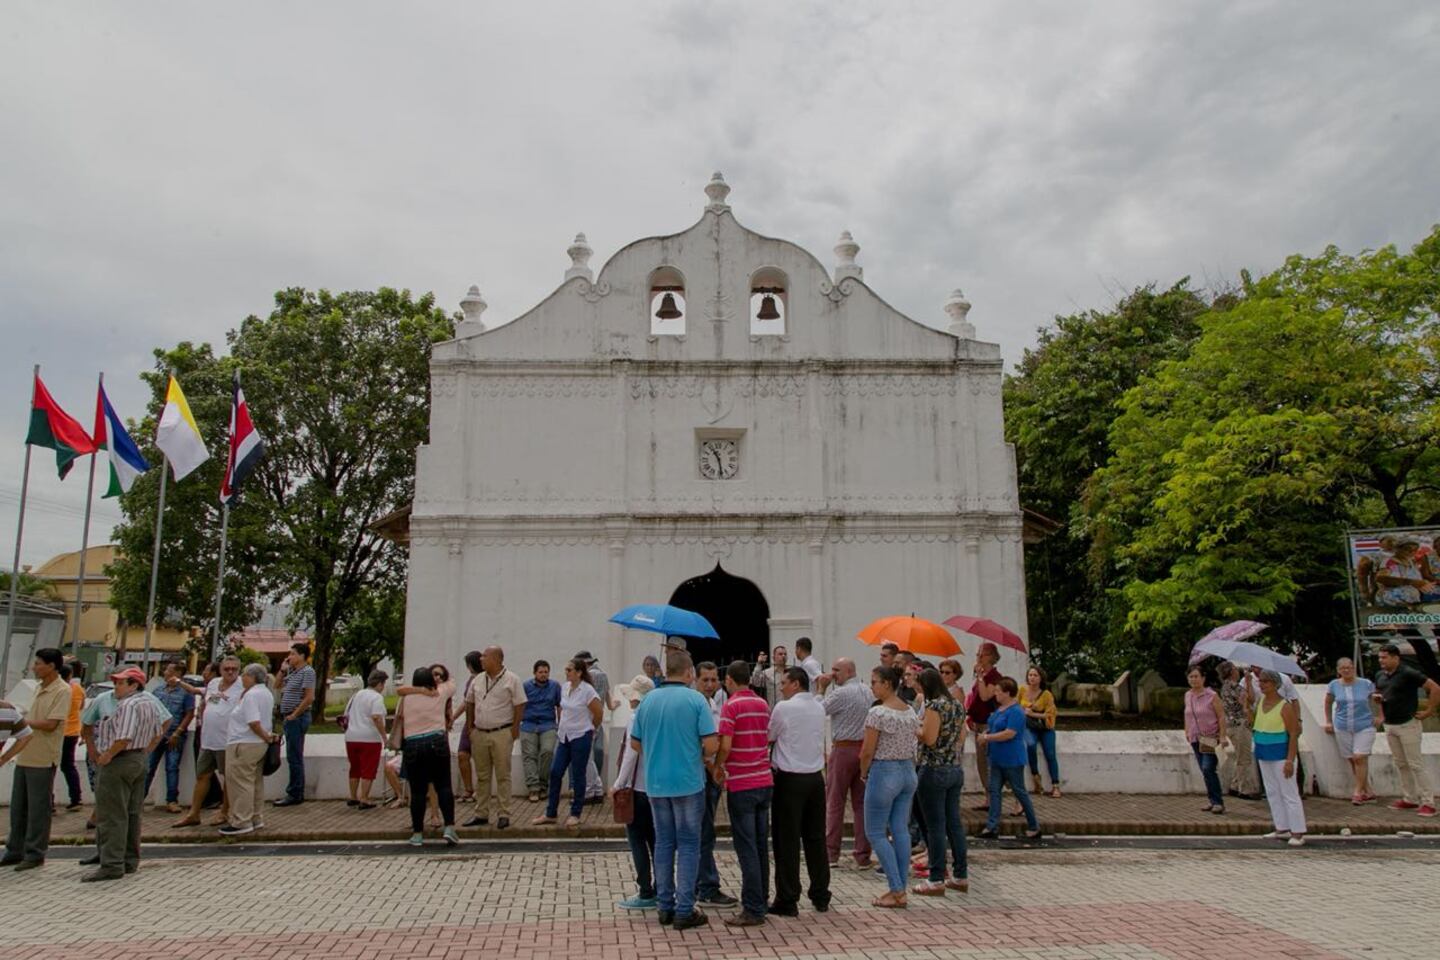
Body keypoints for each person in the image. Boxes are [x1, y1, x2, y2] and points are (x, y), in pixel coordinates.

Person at [630, 650, 718, 930]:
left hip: (656, 783)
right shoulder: (696, 700)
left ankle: (664, 905)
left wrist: (657, 750)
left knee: (664, 842)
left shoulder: (648, 701)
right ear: (690, 672)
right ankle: (684, 908)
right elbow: (712, 744)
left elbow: (635, 744)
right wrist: (700, 754)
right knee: (690, 843)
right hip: (688, 781)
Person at [81, 667, 166, 881]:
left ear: (133, 685)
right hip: (138, 758)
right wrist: (144, 751)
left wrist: (107, 755)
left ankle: (111, 864)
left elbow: (124, 736)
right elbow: (158, 731)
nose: (116, 686)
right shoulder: (149, 702)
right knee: (132, 812)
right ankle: (129, 860)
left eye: (121, 683)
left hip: (120, 760)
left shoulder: (127, 705)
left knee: (112, 814)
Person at [713, 660, 773, 927]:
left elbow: (725, 744)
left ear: (729, 680)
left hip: (742, 782)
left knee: (746, 846)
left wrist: (718, 765)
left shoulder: (731, 706)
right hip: (764, 778)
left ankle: (753, 907)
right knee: (760, 844)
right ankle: (762, 897)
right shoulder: (763, 704)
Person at [768, 665, 830, 918]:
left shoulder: (784, 708)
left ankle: (788, 897)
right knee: (815, 839)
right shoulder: (818, 706)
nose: (781, 687)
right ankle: (820, 893)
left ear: (795, 683)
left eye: (784, 682)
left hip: (790, 778)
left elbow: (770, 735)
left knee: (787, 840)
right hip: (815, 778)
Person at [2, 648, 70, 871]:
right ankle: (14, 850)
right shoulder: (39, 688)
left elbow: (51, 724)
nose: (35, 667)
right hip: (25, 755)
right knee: (18, 808)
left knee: (38, 810)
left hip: (43, 757)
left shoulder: (62, 690)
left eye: (39, 663)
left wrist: (20, 721)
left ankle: (34, 854)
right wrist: (13, 710)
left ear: (51, 666)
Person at [858, 665, 918, 909]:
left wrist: (863, 771)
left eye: (874, 682)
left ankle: (896, 887)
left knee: (874, 832)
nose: (872, 686)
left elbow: (868, 750)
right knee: (900, 829)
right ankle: (899, 887)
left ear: (886, 684)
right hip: (907, 771)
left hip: (884, 771)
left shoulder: (878, 713)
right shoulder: (910, 711)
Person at [912, 667, 968, 897]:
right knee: (954, 824)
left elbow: (929, 738)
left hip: (933, 768)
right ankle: (960, 875)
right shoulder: (957, 705)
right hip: (954, 767)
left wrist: (915, 726)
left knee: (935, 827)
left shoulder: (935, 706)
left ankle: (936, 879)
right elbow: (962, 736)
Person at [456, 646, 523, 829]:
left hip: (502, 731)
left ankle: (504, 813)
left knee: (503, 775)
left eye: (485, 656)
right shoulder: (477, 679)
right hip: (480, 732)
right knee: (483, 775)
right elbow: (469, 702)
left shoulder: (512, 679)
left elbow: (519, 704)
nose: (481, 659)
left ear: (497, 659)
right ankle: (481, 813)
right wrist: (470, 726)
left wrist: (515, 728)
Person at [817, 656, 874, 869]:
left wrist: (821, 689)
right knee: (861, 803)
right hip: (864, 748)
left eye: (836, 670)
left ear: (848, 671)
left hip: (843, 748)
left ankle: (831, 853)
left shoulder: (841, 693)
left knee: (835, 801)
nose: (833, 675)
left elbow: (818, 711)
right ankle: (863, 854)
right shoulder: (867, 690)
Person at [395, 666, 460, 846]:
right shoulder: (439, 693)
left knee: (417, 792)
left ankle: (417, 833)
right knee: (443, 786)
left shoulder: (406, 697)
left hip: (413, 744)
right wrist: (436, 681)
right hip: (436, 741)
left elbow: (399, 690)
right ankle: (449, 828)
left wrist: (418, 689)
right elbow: (453, 681)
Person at [689, 661, 737, 909]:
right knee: (704, 832)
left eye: (713, 679)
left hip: (713, 773)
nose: (709, 684)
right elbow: (702, 744)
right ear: (695, 679)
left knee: (704, 831)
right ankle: (706, 886)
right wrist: (714, 768)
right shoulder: (696, 706)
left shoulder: (713, 703)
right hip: (705, 774)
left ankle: (699, 882)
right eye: (705, 679)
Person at [534, 658, 602, 828]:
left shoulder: (587, 691)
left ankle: (576, 812)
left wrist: (590, 729)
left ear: (579, 672)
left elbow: (598, 713)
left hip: (580, 736)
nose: (566, 672)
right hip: (564, 736)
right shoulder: (565, 688)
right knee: (555, 772)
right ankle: (551, 812)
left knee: (578, 775)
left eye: (569, 670)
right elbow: (562, 708)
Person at [174, 656, 241, 827]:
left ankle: (224, 812)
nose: (231, 672)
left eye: (234, 668)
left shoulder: (242, 686)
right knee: (202, 775)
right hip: (208, 739)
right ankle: (194, 813)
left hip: (227, 740)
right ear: (221, 670)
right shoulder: (213, 684)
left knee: (227, 777)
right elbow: (205, 698)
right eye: (227, 669)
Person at [1374, 643, 1439, 816]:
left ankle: (1428, 802)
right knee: (1401, 764)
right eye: (1380, 657)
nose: (1381, 660)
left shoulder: (1408, 673)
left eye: (1385, 657)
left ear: (1396, 658)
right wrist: (1379, 706)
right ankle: (1410, 798)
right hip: (1390, 723)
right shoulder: (1380, 675)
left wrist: (1428, 711)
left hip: (1408, 723)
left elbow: (1434, 687)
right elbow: (1381, 692)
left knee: (1416, 764)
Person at [976, 677, 1040, 840]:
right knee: (994, 791)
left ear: (1007, 693)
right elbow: (994, 725)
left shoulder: (1016, 711)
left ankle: (1034, 825)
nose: (995, 694)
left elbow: (1010, 733)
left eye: (998, 691)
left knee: (1019, 791)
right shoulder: (1000, 709)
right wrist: (986, 734)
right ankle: (992, 825)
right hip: (996, 757)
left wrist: (988, 738)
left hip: (1012, 757)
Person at [220, 664, 278, 836]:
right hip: (258, 744)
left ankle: (241, 820)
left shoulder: (252, 695)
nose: (242, 678)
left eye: (244, 675)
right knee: (255, 782)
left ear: (252, 677)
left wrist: (264, 736)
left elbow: (253, 722)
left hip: (244, 743)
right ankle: (255, 817)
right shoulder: (266, 693)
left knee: (240, 783)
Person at [615, 675, 658, 911]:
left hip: (637, 788)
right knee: (657, 841)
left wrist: (619, 783)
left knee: (637, 841)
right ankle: (661, 886)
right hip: (655, 788)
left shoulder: (635, 718)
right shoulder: (656, 717)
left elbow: (631, 755)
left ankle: (645, 889)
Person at [1252, 669, 1307, 844]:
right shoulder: (1261, 701)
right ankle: (1281, 826)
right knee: (1272, 791)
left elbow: (1293, 733)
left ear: (1275, 684)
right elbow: (1254, 722)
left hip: (1280, 752)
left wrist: (1290, 759)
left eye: (1265, 682)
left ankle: (1297, 831)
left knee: (1289, 792)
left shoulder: (1285, 706)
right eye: (1260, 681)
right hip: (1263, 751)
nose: (1261, 685)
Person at [1323, 657, 1379, 804]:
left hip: (1364, 725)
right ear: (1338, 670)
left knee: (1359, 757)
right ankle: (1367, 790)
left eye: (1349, 667)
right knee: (1352, 759)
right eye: (1343, 668)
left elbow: (1376, 700)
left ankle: (1357, 792)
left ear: (1353, 668)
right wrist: (1328, 721)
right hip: (1343, 725)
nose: (1346, 670)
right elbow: (1328, 703)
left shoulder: (1366, 684)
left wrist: (1380, 716)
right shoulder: (1334, 685)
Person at [143, 662, 195, 813]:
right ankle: (139, 798)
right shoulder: (158, 690)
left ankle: (172, 800)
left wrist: (177, 732)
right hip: (156, 735)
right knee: (148, 767)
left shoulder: (186, 692)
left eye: (168, 670)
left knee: (172, 767)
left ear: (177, 673)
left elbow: (189, 713)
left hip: (174, 734)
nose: (165, 673)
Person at [271, 642, 315, 807]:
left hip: (297, 717)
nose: (290, 657)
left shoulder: (308, 672)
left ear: (302, 655)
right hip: (289, 717)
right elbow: (276, 685)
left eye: (293, 654)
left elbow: (309, 697)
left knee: (294, 756)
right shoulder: (293, 672)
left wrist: (294, 714)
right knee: (292, 755)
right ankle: (294, 791)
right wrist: (283, 669)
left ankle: (295, 792)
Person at [1183, 666, 1228, 814]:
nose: (1194, 679)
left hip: (1209, 737)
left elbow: (1221, 716)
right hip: (1195, 737)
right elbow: (1187, 714)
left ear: (1203, 678)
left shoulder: (1212, 695)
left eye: (1196, 676)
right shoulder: (1188, 695)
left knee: (1208, 768)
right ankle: (1212, 799)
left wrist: (1222, 736)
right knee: (1204, 770)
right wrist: (1187, 731)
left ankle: (1217, 801)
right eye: (1191, 677)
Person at [964, 643, 1002, 808]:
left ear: (992, 657)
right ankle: (989, 797)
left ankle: (1006, 799)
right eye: (978, 653)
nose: (979, 657)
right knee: (981, 763)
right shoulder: (982, 675)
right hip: (977, 721)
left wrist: (980, 677)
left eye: (983, 654)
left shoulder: (994, 676)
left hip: (988, 723)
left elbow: (986, 696)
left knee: (990, 762)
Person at [344, 670, 388, 809]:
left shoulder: (356, 695)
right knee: (368, 769)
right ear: (380, 683)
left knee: (355, 767)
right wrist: (384, 736)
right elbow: (376, 717)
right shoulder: (376, 697)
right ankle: (364, 798)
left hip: (351, 737)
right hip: (369, 738)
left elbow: (346, 714)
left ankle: (353, 796)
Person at [520, 659, 562, 802]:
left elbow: (559, 706)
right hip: (528, 724)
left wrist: (560, 724)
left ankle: (543, 785)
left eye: (546, 672)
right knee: (529, 755)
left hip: (548, 724)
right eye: (540, 672)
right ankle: (533, 788)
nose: (543, 675)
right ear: (535, 673)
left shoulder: (555, 686)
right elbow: (520, 705)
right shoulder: (526, 686)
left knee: (548, 752)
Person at [576, 650, 619, 787]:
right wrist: (613, 705)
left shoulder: (582, 677)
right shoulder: (603, 675)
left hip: (584, 719)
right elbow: (607, 696)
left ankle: (580, 785)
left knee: (582, 754)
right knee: (598, 751)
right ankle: (596, 782)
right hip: (598, 720)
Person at [1217, 661, 1259, 800]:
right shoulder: (1235, 686)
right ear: (1231, 672)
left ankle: (1235, 785)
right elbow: (1249, 700)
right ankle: (1245, 789)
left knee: (1240, 755)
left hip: (1231, 725)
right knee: (1244, 758)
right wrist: (1248, 682)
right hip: (1240, 725)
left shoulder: (1225, 687)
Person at [1018, 666, 1060, 798]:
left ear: (1041, 678)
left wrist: (1033, 713)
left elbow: (1051, 714)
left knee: (1050, 753)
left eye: (1035, 675)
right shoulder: (1022, 690)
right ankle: (1036, 778)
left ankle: (1055, 785)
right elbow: (1016, 705)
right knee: (1030, 747)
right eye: (1030, 675)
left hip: (1044, 727)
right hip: (1029, 727)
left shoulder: (1046, 695)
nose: (1032, 678)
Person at [454, 651, 482, 803]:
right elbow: (466, 702)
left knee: (481, 759)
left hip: (482, 723)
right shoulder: (470, 680)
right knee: (462, 754)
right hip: (469, 722)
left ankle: (480, 790)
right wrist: (453, 717)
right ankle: (468, 788)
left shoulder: (485, 679)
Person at [57, 662, 84, 811]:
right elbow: (81, 706)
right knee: (69, 766)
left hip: (58, 732)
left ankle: (50, 802)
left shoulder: (59, 690)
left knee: (50, 766)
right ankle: (76, 799)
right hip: (73, 731)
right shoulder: (77, 689)